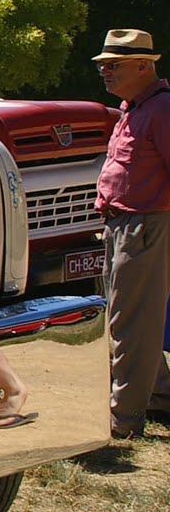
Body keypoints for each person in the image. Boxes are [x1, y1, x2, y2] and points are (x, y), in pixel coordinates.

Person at [93, 28, 170, 440]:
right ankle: (157, 397)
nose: (105, 71)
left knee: (131, 324)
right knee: (132, 319)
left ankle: (124, 420)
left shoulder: (160, 110)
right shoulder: (134, 108)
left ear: (144, 65)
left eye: (114, 64)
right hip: (126, 225)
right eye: (103, 64)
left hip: (145, 225)